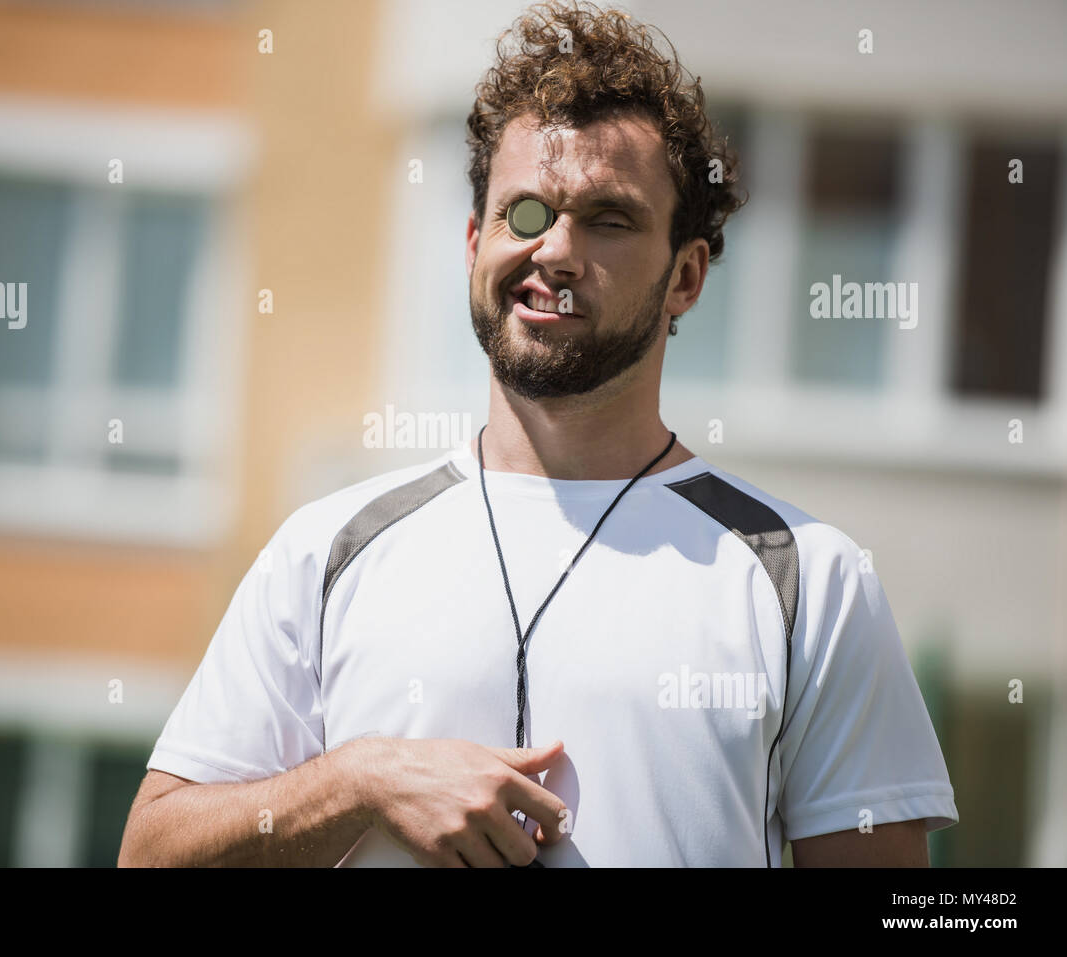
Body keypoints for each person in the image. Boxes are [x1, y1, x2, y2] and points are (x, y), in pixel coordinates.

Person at [118, 0, 958, 867]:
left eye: (609, 219)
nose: (555, 249)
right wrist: (362, 780)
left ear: (688, 276)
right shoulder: (326, 550)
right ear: (476, 240)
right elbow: (151, 854)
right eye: (526, 214)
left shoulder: (809, 577)